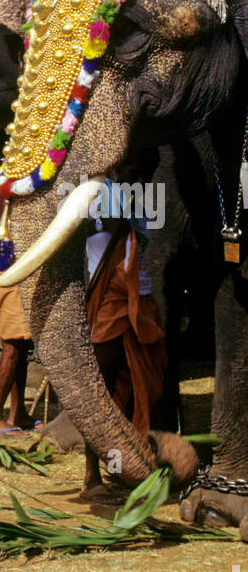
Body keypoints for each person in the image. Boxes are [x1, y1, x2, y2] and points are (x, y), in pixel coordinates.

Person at [81, 161, 166, 504]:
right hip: (107, 306)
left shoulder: (144, 203)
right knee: (99, 393)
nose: (141, 176)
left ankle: (124, 465)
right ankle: (91, 476)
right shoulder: (96, 196)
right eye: (136, 169)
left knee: (136, 388)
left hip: (140, 305)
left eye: (146, 170)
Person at [0, 185, 37, 434]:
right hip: (7, 271)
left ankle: (17, 413)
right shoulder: (10, 189)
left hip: (12, 270)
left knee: (22, 345)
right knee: (13, 346)